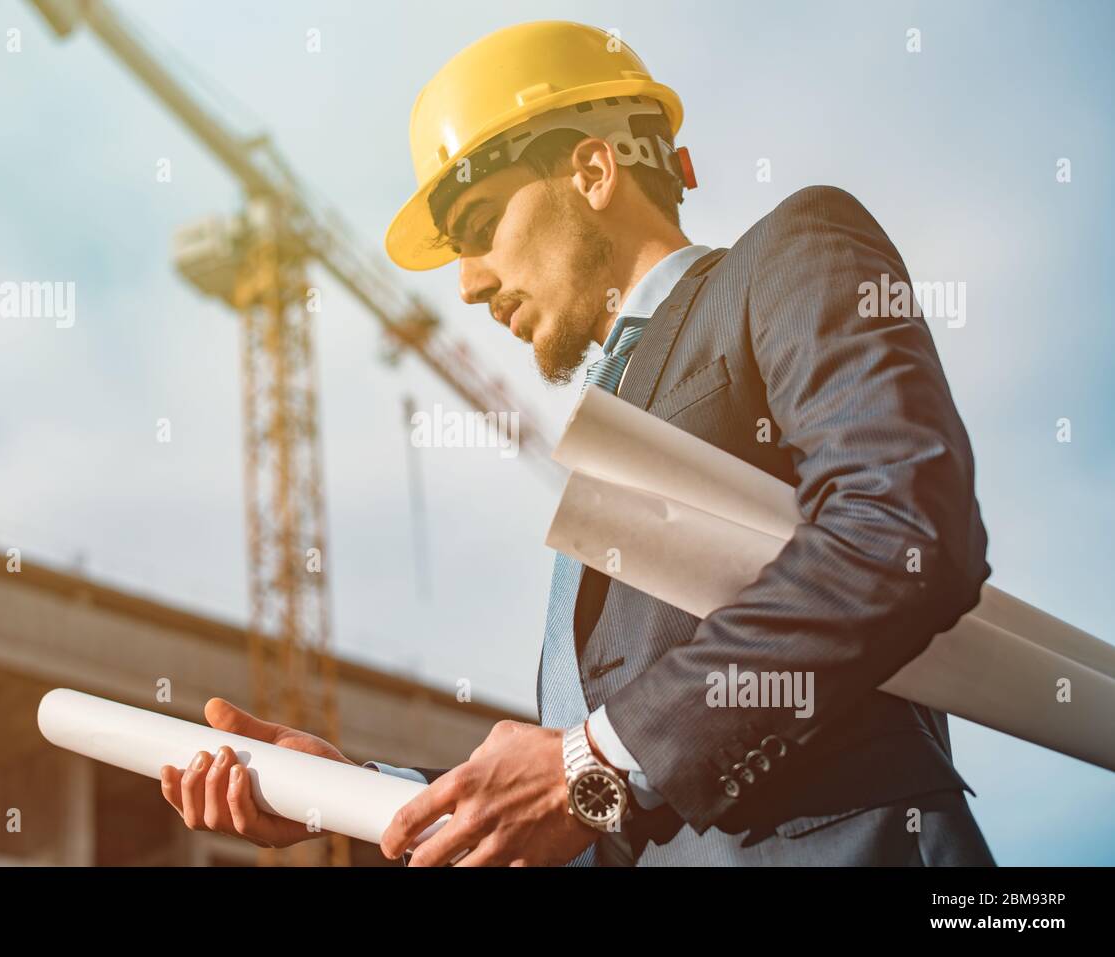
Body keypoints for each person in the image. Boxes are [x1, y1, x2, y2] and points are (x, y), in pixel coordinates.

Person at [159, 20, 995, 867]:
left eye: (480, 224)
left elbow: (902, 529)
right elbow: (589, 784)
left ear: (594, 170)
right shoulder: (609, 415)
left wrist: (590, 762)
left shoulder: (789, 254)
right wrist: (353, 795)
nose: (469, 283)